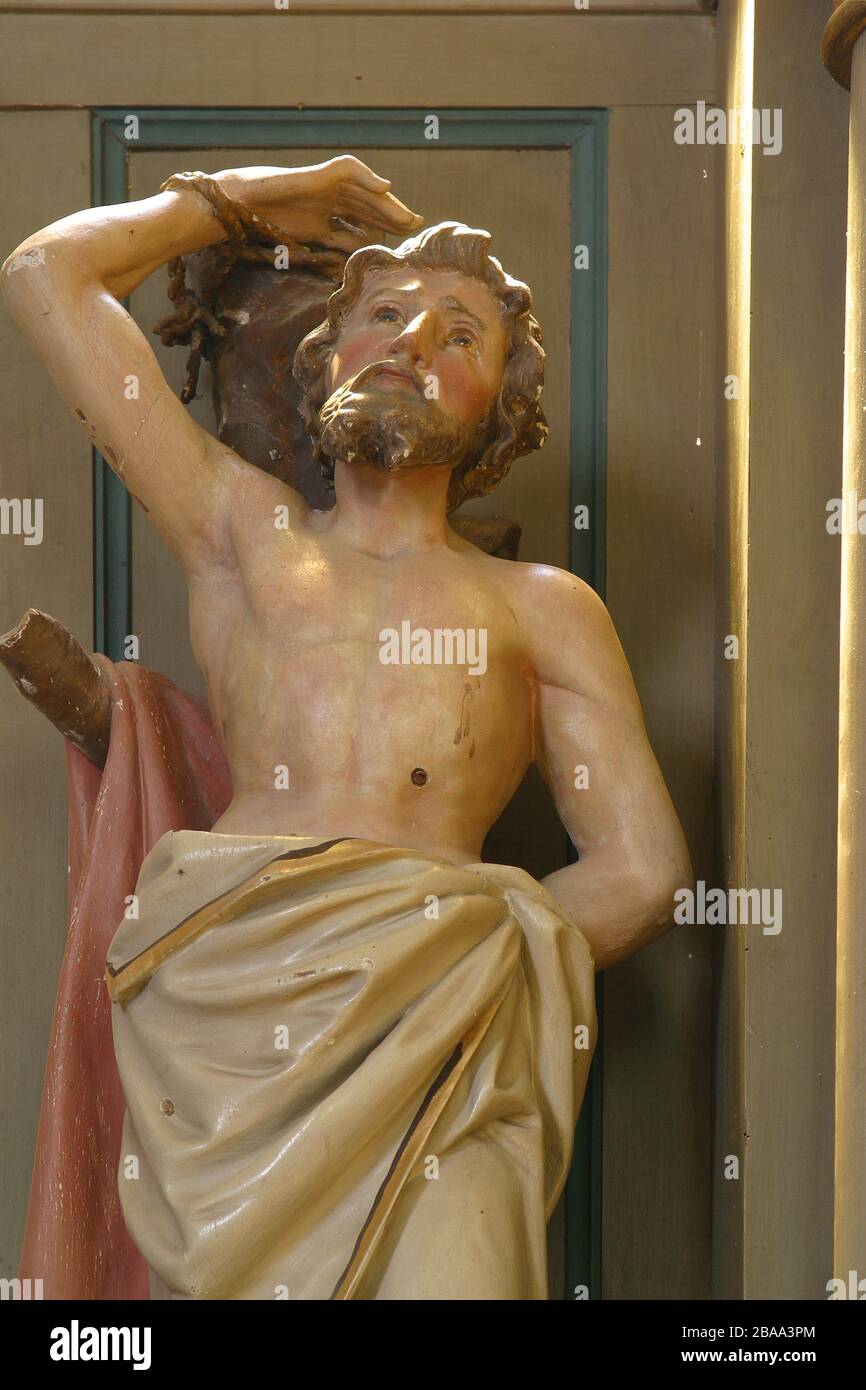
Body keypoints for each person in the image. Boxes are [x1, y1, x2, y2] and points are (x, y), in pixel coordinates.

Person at [2, 157, 692, 1300]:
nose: (413, 343)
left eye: (457, 336)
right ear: (328, 358)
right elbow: (45, 275)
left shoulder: (540, 611)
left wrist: (459, 939)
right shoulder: (244, 535)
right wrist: (235, 199)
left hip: (446, 1041)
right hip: (231, 1028)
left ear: (496, 412)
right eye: (385, 317)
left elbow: (641, 866)